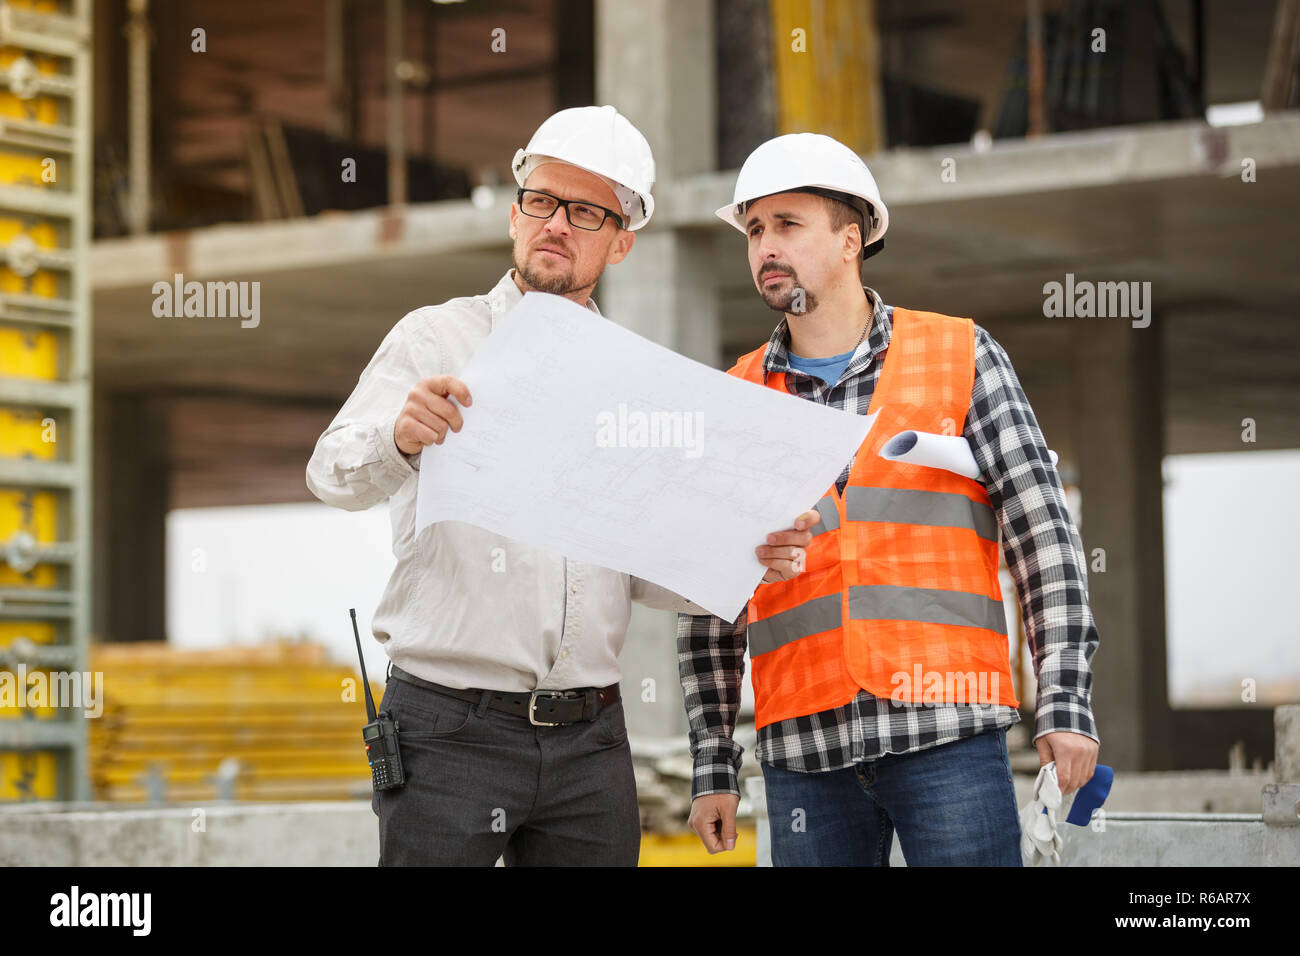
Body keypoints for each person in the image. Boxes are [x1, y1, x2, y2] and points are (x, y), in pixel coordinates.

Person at [305, 106, 818, 866]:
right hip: (450, 729)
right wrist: (399, 438)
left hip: (590, 741)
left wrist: (747, 556)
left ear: (621, 240)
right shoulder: (435, 339)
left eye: (584, 211)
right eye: (541, 201)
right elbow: (329, 473)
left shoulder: (632, 380)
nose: (555, 224)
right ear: (515, 214)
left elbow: (640, 566)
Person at [678, 132, 1101, 866]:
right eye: (754, 230)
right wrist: (714, 761)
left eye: (787, 224)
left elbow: (1043, 534)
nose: (765, 246)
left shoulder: (960, 354)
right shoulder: (738, 395)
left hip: (947, 732)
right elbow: (708, 592)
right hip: (804, 752)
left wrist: (1063, 700)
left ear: (851, 239)